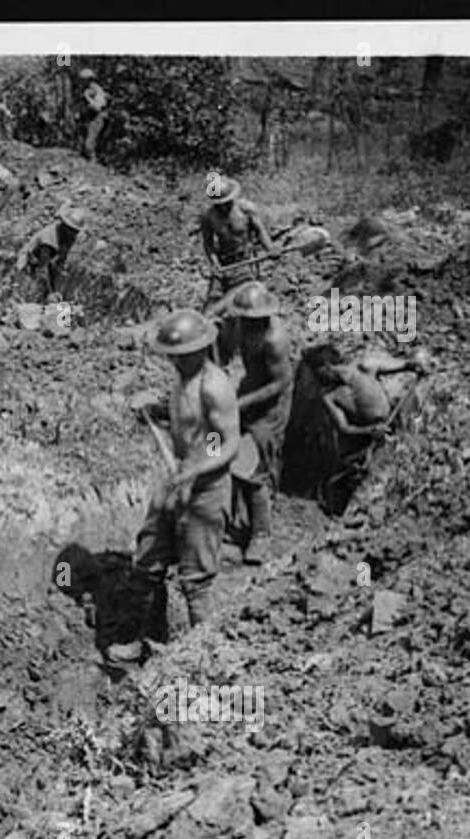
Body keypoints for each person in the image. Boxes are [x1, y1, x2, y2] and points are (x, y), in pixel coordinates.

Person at [115, 310, 240, 669]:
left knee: (196, 583)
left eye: (183, 354)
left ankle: (207, 662)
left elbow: (225, 442)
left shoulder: (214, 387)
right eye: (173, 354)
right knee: (148, 563)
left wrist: (197, 470)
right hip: (177, 482)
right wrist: (154, 411)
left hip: (205, 491)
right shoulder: (183, 378)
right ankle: (149, 642)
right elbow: (190, 426)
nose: (176, 360)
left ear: (201, 349)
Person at [225, 282, 293, 565]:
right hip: (250, 392)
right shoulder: (243, 325)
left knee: (254, 470)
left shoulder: (274, 339)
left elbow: (281, 381)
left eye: (252, 319)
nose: (247, 323)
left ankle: (261, 534)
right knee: (231, 454)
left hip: (271, 405)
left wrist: (243, 403)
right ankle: (240, 517)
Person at [200, 176, 275, 313]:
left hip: (245, 261)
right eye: (219, 204)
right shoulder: (208, 216)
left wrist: (270, 249)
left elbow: (260, 231)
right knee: (212, 304)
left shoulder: (246, 209)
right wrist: (214, 263)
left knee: (244, 300)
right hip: (223, 264)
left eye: (226, 203)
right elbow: (208, 243)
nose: (223, 207)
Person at [15, 205, 87, 301]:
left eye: (76, 231)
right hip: (29, 262)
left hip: (46, 262)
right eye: (72, 230)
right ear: (65, 226)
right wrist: (51, 292)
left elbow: (58, 263)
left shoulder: (68, 236)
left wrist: (56, 290)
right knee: (31, 292)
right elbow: (43, 268)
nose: (74, 234)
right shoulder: (48, 239)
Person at [77, 68, 109, 161]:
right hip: (89, 117)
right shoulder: (86, 90)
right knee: (84, 142)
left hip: (97, 117)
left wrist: (88, 99)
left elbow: (98, 107)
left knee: (89, 144)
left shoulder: (96, 90)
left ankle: (93, 163)